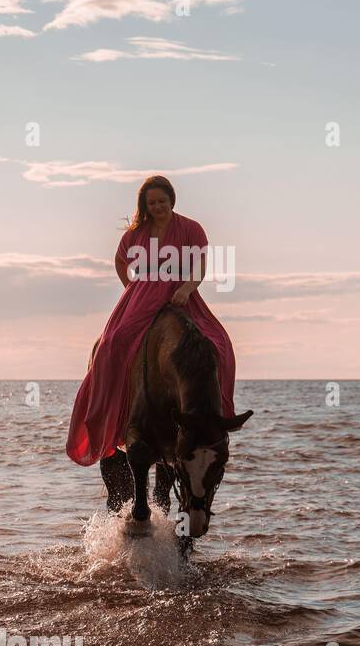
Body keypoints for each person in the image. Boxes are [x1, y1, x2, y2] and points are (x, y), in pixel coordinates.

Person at [66, 175, 237, 467]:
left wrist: (186, 288)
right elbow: (120, 261)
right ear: (145, 206)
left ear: (172, 200)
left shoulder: (191, 229)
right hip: (141, 295)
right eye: (152, 203)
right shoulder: (136, 233)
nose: (158, 206)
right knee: (112, 344)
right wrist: (131, 288)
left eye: (162, 201)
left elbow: (200, 266)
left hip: (181, 295)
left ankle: (211, 418)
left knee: (219, 344)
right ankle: (114, 416)